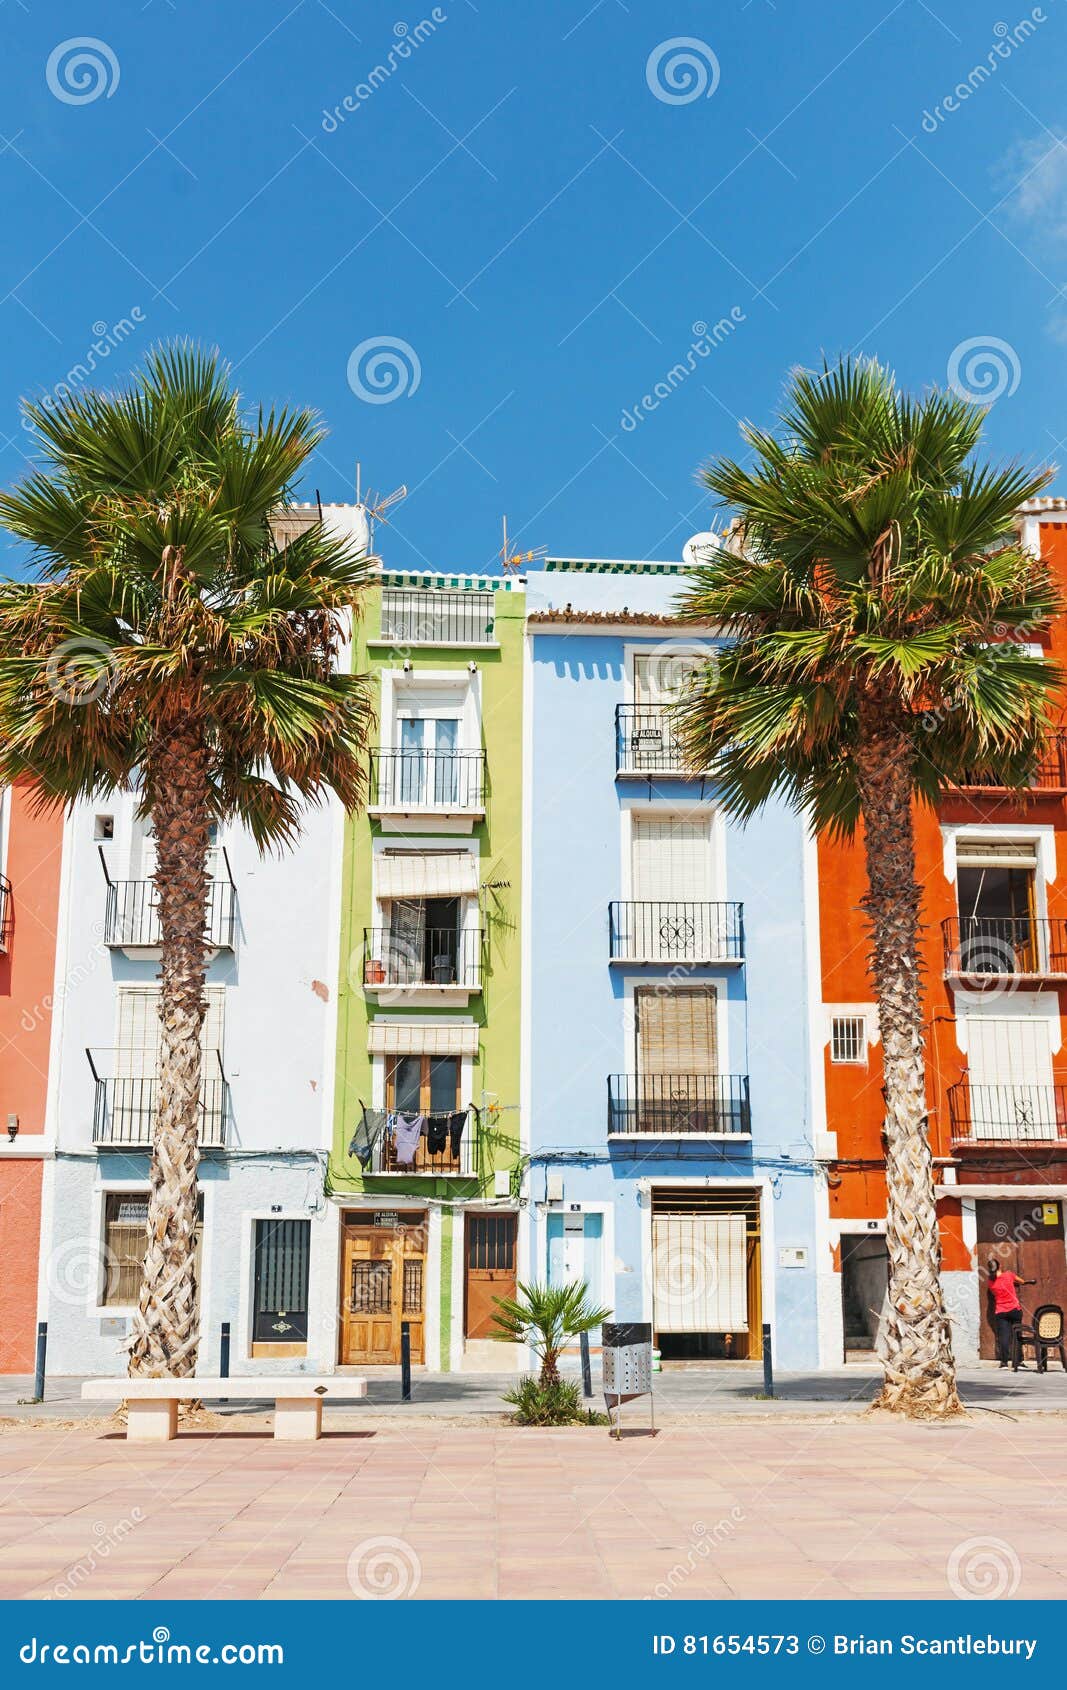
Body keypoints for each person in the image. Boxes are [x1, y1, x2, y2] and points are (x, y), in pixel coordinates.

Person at [987, 1258, 1036, 1368]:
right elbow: (1022, 1281)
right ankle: (1019, 1361)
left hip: (1001, 1312)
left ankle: (1004, 1362)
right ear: (1000, 1266)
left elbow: (994, 1293)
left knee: (1004, 1336)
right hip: (1014, 1310)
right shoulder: (1009, 1275)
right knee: (1017, 1335)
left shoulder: (991, 1283)